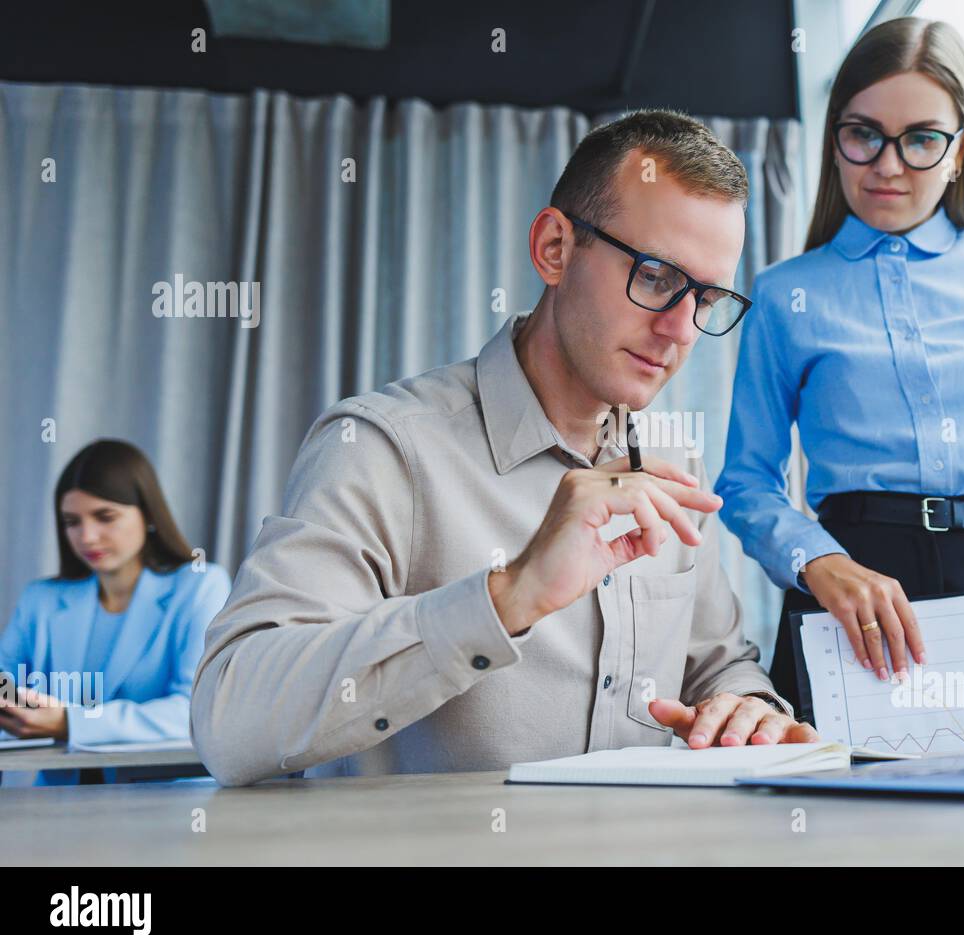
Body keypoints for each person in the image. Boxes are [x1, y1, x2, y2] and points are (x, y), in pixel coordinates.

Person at [191, 109, 818, 787]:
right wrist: (507, 596)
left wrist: (747, 707)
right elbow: (230, 720)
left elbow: (717, 663)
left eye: (707, 296)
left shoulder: (674, 466)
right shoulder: (384, 449)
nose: (678, 330)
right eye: (658, 277)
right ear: (554, 247)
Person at [714, 17, 964, 714]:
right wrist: (817, 562)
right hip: (853, 594)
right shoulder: (784, 294)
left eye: (922, 139)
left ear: (962, 150)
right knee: (845, 816)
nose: (888, 166)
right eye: (864, 134)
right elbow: (746, 483)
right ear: (835, 139)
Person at [0, 440, 230, 785]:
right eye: (71, 521)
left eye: (105, 517)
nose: (87, 537)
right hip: (62, 807)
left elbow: (195, 712)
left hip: (169, 806)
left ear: (148, 515)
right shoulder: (42, 599)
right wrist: (13, 704)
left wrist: (70, 722)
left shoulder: (200, 586)